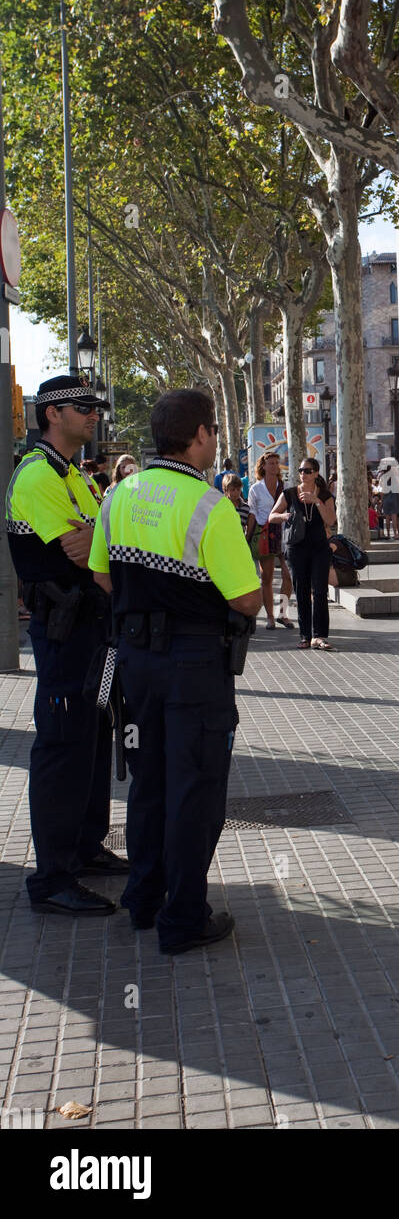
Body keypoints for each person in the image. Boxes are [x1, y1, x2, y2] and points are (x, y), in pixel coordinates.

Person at [89, 388, 261, 953]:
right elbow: (247, 599)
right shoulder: (209, 505)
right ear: (201, 436)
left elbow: (102, 577)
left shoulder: (117, 497)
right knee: (195, 790)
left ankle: (143, 899)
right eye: (213, 431)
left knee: (148, 786)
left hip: (135, 666)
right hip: (193, 670)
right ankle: (184, 918)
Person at [4, 374, 125, 917]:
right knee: (61, 747)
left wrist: (97, 536)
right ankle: (51, 878)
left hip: (93, 633)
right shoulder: (36, 476)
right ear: (53, 413)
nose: (94, 415)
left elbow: (97, 539)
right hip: (63, 635)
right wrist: (99, 538)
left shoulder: (70, 473)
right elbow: (86, 553)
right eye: (84, 408)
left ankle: (84, 848)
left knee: (95, 736)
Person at [270, 458, 336, 650]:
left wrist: (316, 501)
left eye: (307, 470)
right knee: (301, 592)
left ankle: (319, 635)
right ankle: (305, 636)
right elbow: (271, 516)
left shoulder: (324, 495)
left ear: (316, 473)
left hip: (319, 548)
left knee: (320, 591)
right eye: (301, 470)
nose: (303, 474)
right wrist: (285, 516)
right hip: (296, 548)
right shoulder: (290, 493)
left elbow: (331, 520)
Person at [247, 452, 294, 629]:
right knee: (266, 577)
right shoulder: (255, 489)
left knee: (288, 576)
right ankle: (269, 617)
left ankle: (283, 614)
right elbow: (252, 514)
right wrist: (247, 538)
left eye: (276, 463)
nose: (274, 466)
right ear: (263, 466)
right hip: (265, 535)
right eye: (271, 463)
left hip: (285, 534)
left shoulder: (286, 486)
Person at [222, 472, 251, 536]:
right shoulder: (221, 507)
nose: (236, 492)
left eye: (238, 489)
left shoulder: (246, 508)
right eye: (233, 490)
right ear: (226, 490)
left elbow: (248, 527)